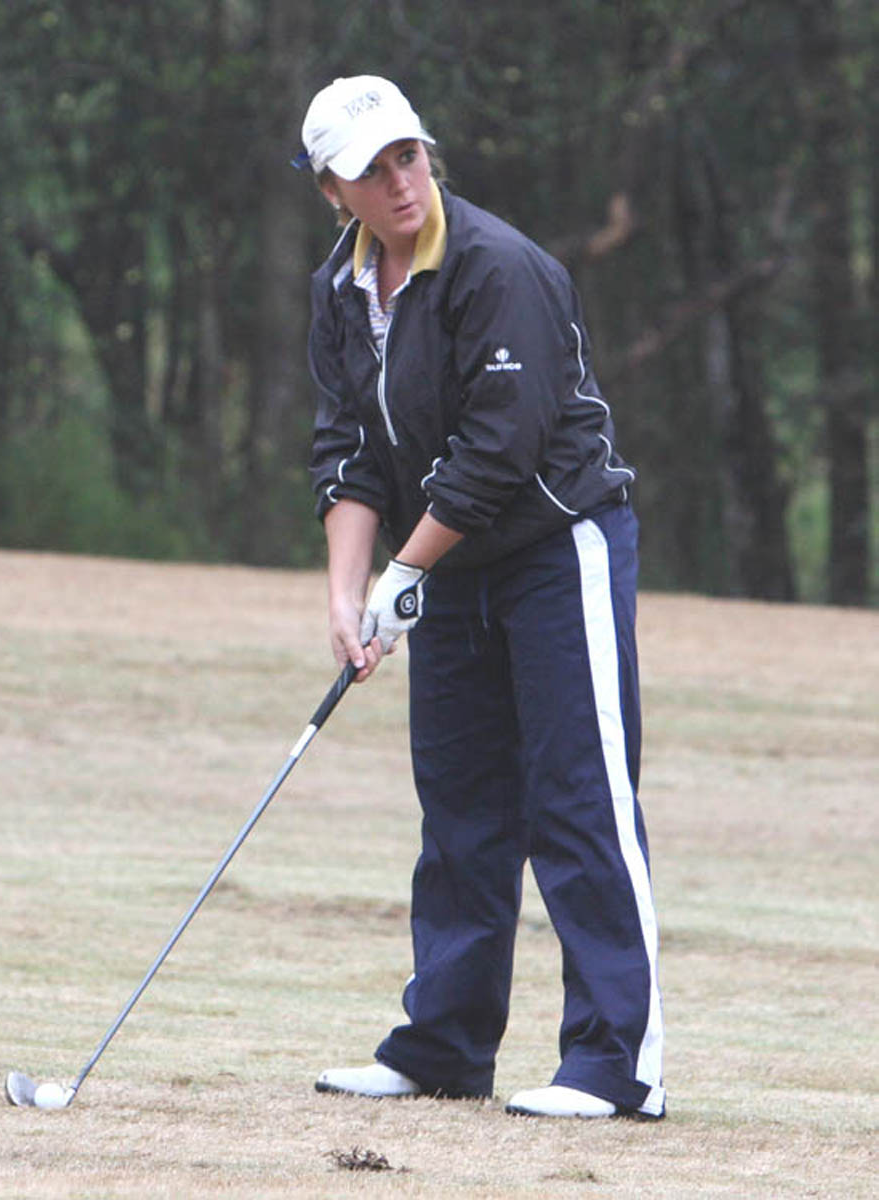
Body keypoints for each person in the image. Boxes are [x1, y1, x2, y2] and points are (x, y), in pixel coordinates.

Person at [298, 75, 665, 1120]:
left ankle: (616, 1066)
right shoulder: (338, 292)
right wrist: (348, 596)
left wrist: (404, 571)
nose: (399, 180)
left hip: (556, 544)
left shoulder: (499, 266)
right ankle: (444, 1048)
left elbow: (499, 450)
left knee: (576, 799)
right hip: (450, 563)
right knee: (459, 806)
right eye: (371, 168)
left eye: (407, 154)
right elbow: (346, 452)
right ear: (332, 190)